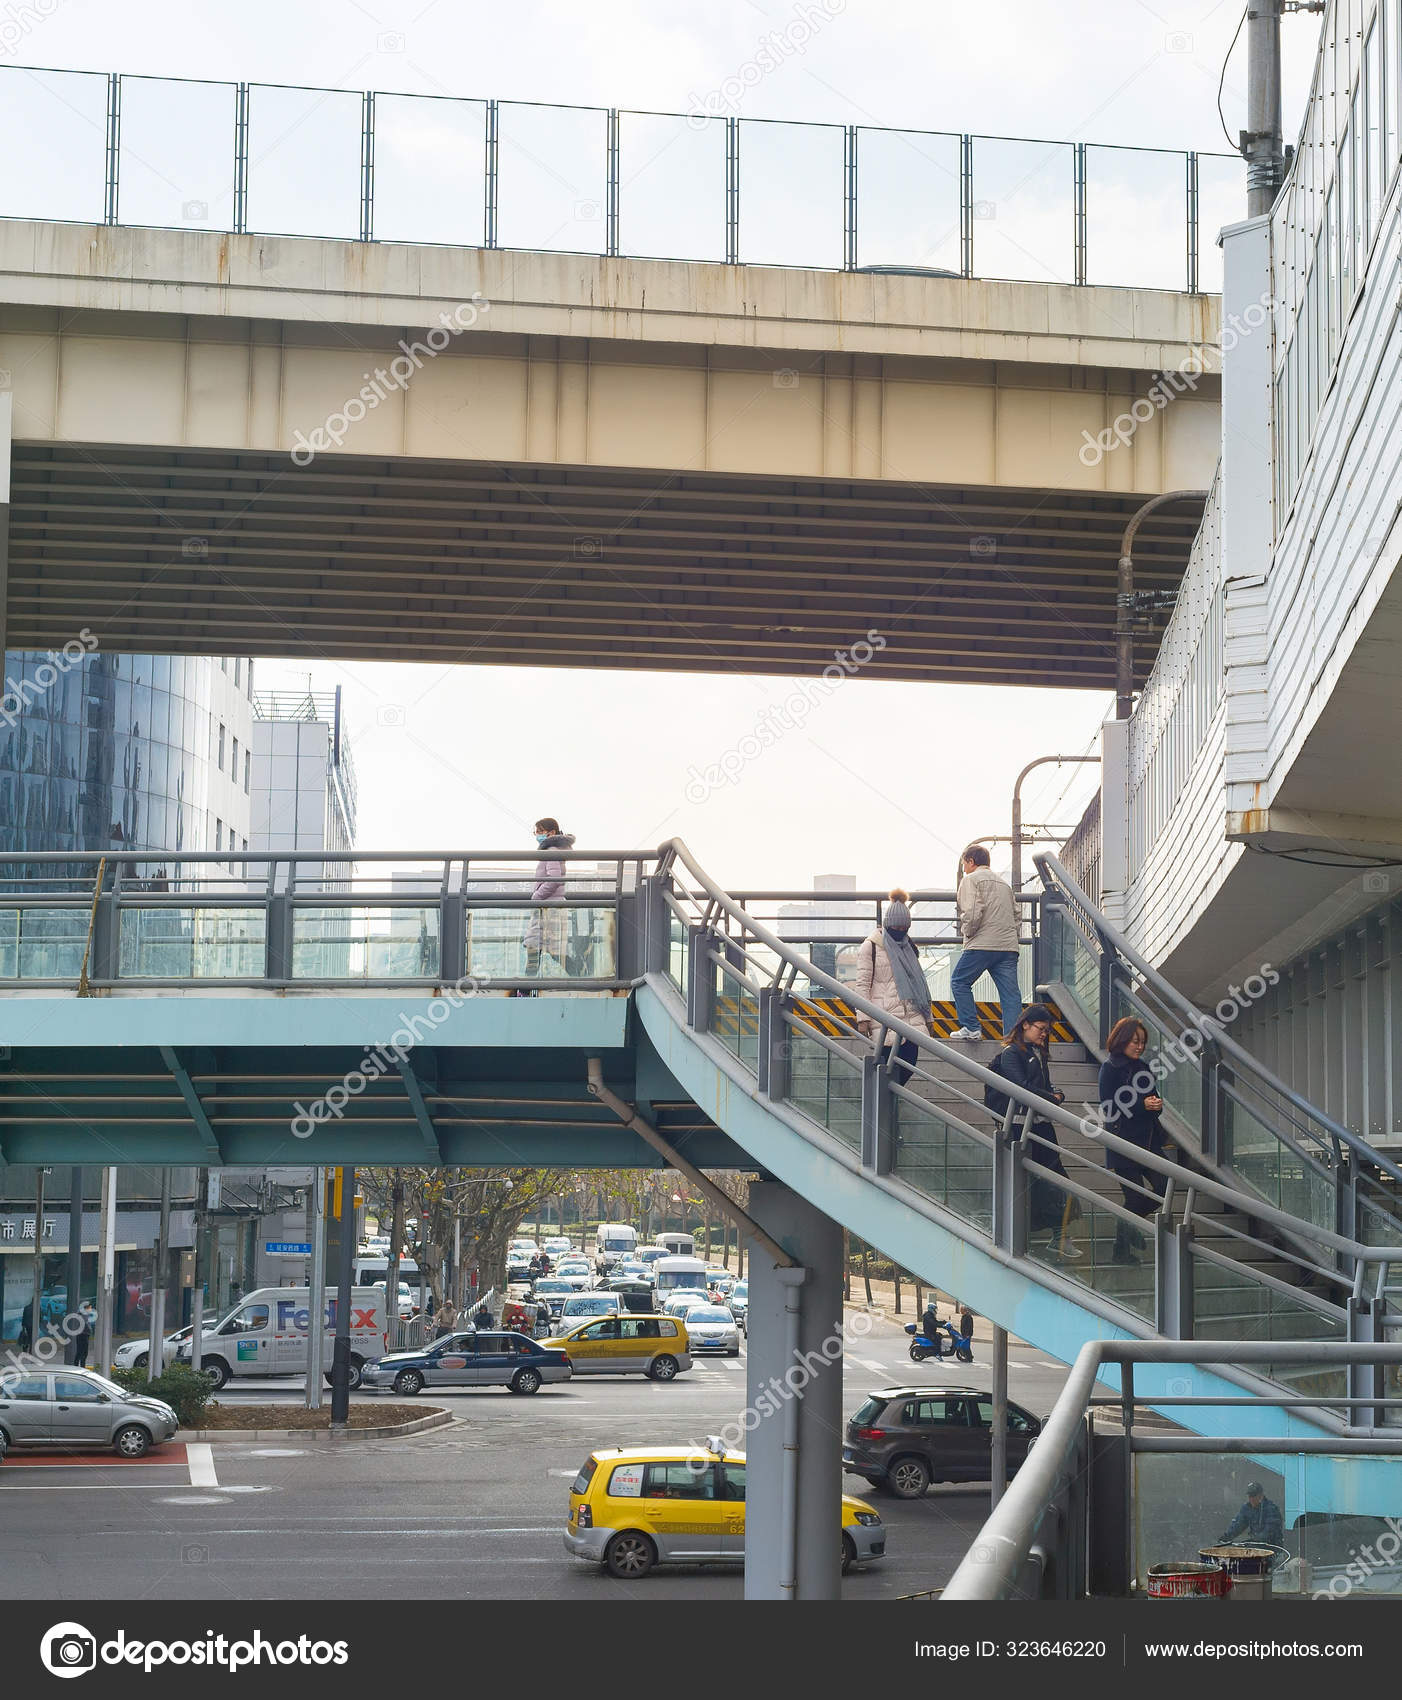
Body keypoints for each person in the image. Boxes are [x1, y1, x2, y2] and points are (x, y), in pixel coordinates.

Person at [996, 1004, 1081, 1262]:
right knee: (1034, 1184)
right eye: (1041, 1029)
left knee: (1054, 1180)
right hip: (1021, 1127)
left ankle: (1058, 1236)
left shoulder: (1038, 1053)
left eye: (1047, 1030)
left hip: (1041, 1125)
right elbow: (1020, 1087)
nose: (1045, 1034)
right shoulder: (1011, 1053)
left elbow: (1041, 1086)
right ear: (1025, 1025)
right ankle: (1040, 1237)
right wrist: (1051, 1097)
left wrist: (1055, 1095)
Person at [1099, 1017, 1168, 1265]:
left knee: (1165, 1186)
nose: (1139, 1047)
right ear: (1122, 1039)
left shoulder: (1144, 1068)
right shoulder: (1110, 1068)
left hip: (1149, 1141)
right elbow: (1108, 1106)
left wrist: (1156, 1105)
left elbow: (1154, 1102)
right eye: (1134, 1041)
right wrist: (1142, 1104)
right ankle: (1122, 1249)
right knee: (1135, 1198)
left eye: (1142, 1042)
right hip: (1123, 1143)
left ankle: (1127, 1230)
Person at [851, 889, 933, 1087]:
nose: (900, 930)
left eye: (904, 926)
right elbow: (862, 985)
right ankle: (881, 1110)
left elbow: (919, 984)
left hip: (912, 1017)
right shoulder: (870, 947)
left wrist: (928, 1018)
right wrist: (863, 1018)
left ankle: (887, 1106)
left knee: (909, 1063)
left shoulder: (909, 947)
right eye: (896, 926)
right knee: (886, 1069)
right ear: (888, 923)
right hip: (885, 1018)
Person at [949, 845, 1024, 1040]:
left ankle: (971, 1027)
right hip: (1007, 947)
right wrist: (1010, 937)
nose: (964, 868)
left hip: (981, 944)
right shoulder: (1004, 884)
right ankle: (1012, 1039)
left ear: (971, 861)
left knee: (959, 981)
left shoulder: (970, 880)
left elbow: (973, 911)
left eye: (964, 863)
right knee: (1010, 995)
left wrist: (968, 932)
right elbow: (1017, 916)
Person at [522, 817, 577, 982]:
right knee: (548, 950)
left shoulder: (551, 850)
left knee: (536, 948)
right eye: (536, 832)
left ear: (551, 832)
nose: (537, 835)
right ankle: (582, 976)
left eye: (540, 831)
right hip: (551, 906)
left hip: (548, 907)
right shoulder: (555, 849)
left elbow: (554, 879)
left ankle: (523, 992)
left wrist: (536, 897)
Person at [1220, 1481, 1284, 1548]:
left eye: (1254, 1495)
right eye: (1250, 1496)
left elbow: (1270, 1531)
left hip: (1273, 1547)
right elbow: (1238, 1525)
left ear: (1261, 1495)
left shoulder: (1271, 1509)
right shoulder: (1247, 1508)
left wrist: (1253, 1542)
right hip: (1255, 1544)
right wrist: (1225, 1538)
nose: (1251, 1499)